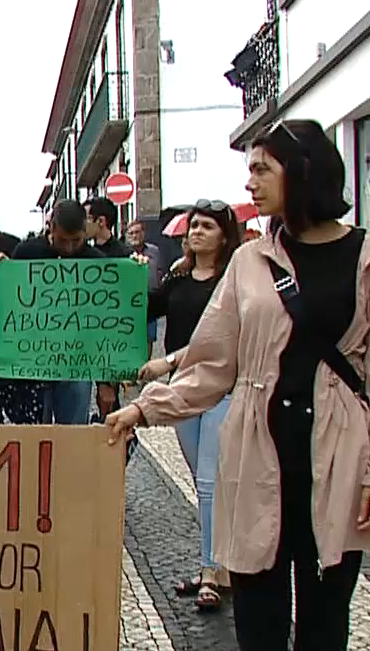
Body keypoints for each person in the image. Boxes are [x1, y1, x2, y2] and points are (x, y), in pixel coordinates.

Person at [105, 119, 370, 651]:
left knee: (321, 635)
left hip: (336, 462)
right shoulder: (250, 263)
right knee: (258, 634)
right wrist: (143, 409)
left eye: (259, 168)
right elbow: (212, 362)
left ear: (301, 171)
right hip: (257, 456)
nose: (247, 182)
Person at [135, 200, 242, 612]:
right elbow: (143, 307)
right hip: (183, 391)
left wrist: (170, 359)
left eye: (207, 227)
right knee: (204, 482)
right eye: (193, 226)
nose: (197, 232)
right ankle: (222, 563)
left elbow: (218, 341)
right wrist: (131, 271)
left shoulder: (232, 282)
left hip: (222, 388)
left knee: (210, 480)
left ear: (223, 236)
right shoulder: (178, 280)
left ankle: (211, 571)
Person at [0, 199, 108, 424]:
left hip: (77, 363)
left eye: (75, 241)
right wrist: (4, 271)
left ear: (85, 232)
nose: (68, 248)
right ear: (51, 228)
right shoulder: (27, 251)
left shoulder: (96, 262)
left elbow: (107, 321)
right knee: (35, 435)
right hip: (33, 362)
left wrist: (107, 381)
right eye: (62, 241)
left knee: (74, 433)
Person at [125, 219, 165, 357]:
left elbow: (159, 271)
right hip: (129, 303)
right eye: (131, 233)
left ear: (143, 233)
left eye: (137, 232)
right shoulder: (123, 253)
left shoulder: (154, 251)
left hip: (150, 300)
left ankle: (145, 371)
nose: (134, 236)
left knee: (149, 337)